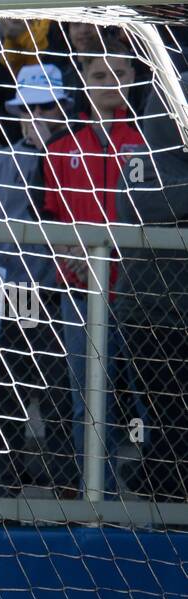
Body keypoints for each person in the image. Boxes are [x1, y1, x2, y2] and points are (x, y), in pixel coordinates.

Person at [42, 46, 147, 493]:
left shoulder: (150, 145)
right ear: (84, 82)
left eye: (118, 73)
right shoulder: (61, 148)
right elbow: (52, 217)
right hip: (81, 292)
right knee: (87, 399)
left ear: (132, 81)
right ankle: (95, 495)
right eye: (99, 73)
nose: (109, 81)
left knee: (152, 402)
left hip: (142, 295)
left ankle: (154, 493)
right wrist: (74, 259)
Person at [0, 63, 80, 494]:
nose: (36, 118)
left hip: (62, 294)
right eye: (28, 110)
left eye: (47, 109)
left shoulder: (80, 155)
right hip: (11, 295)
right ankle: (0, 486)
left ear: (64, 109)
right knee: (6, 397)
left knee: (62, 396)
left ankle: (70, 488)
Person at [114, 69, 188, 500]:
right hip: (153, 315)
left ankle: (156, 485)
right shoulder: (142, 158)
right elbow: (137, 203)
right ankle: (161, 494)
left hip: (160, 310)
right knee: (167, 417)